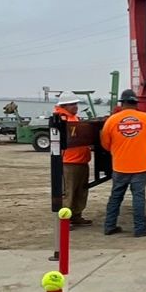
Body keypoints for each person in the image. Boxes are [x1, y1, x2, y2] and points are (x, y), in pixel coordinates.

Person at [100, 89, 146, 236]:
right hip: (141, 165)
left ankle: (109, 226)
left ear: (122, 103)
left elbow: (105, 142)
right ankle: (140, 228)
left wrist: (117, 150)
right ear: (136, 103)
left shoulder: (112, 120)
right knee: (138, 197)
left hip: (120, 165)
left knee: (115, 196)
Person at [54, 95, 93, 225]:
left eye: (76, 104)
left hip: (81, 161)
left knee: (81, 191)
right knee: (69, 192)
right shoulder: (60, 119)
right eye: (72, 104)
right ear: (64, 106)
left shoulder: (73, 118)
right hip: (69, 162)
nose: (75, 106)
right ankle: (65, 220)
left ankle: (76, 215)